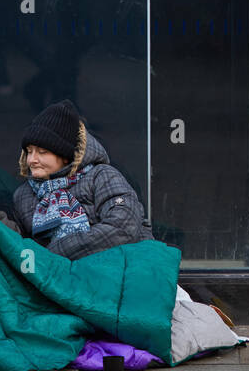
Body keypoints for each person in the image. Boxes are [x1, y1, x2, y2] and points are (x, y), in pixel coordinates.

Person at [11, 99, 150, 259]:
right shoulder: (23, 195)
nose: (32, 160)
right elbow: (20, 246)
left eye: (42, 152)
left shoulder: (102, 176)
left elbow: (124, 226)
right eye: (29, 151)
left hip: (118, 265)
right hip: (58, 277)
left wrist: (55, 253)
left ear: (65, 156)